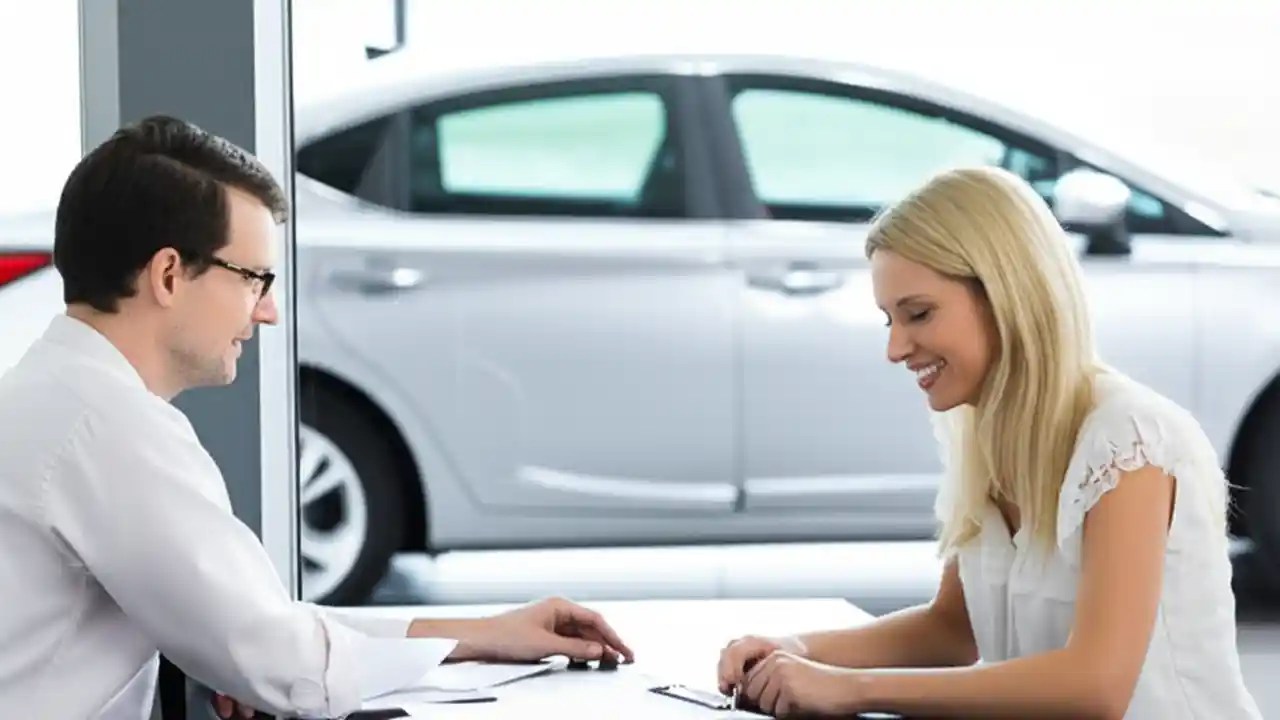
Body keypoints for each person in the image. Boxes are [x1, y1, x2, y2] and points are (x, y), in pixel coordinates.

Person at [0, 115, 633, 720]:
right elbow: (288, 665)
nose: (267, 311)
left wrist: (479, 632)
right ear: (169, 274)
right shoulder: (111, 430)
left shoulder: (51, 397)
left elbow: (263, 633)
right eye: (254, 278)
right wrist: (250, 663)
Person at [716, 166, 1261, 719]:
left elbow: (1096, 687)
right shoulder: (986, 435)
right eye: (889, 321)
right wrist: (799, 650)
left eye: (919, 314)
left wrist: (852, 687)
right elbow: (953, 630)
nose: (897, 349)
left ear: (1006, 295)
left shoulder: (1131, 439)